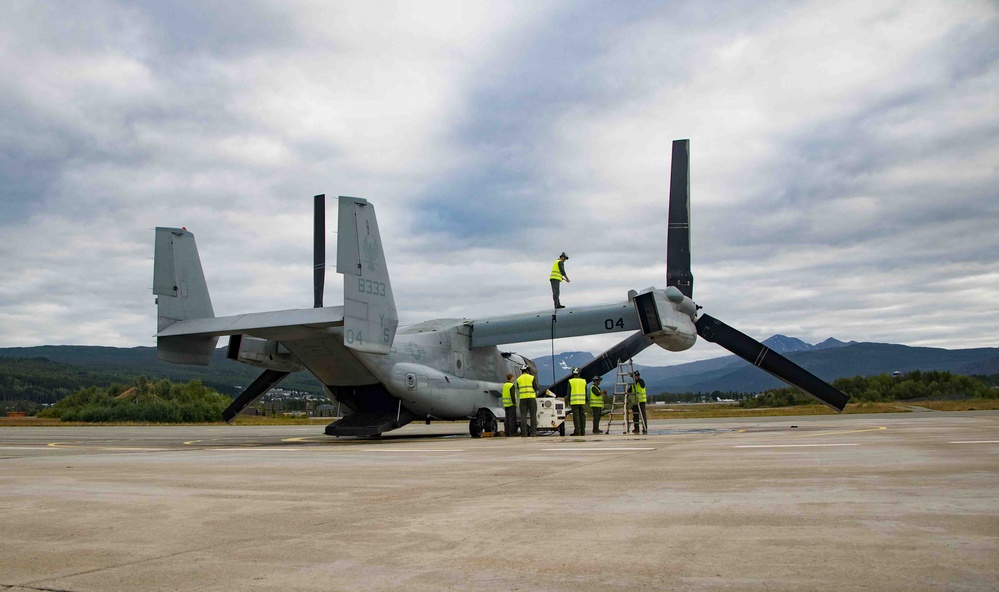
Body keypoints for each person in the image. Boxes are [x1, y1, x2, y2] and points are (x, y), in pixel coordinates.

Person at [516, 365, 539, 437]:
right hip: (531, 398)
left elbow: (519, 388)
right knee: (533, 415)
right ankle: (533, 433)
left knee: (523, 416)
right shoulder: (531, 377)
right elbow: (535, 388)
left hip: (523, 399)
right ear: (528, 370)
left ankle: (524, 433)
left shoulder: (518, 379)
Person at [567, 367, 587, 436]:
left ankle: (577, 431)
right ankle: (583, 431)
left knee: (576, 417)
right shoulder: (583, 381)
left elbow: (568, 393)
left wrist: (568, 401)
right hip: (582, 402)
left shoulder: (571, 381)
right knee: (583, 417)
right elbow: (585, 391)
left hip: (574, 402)